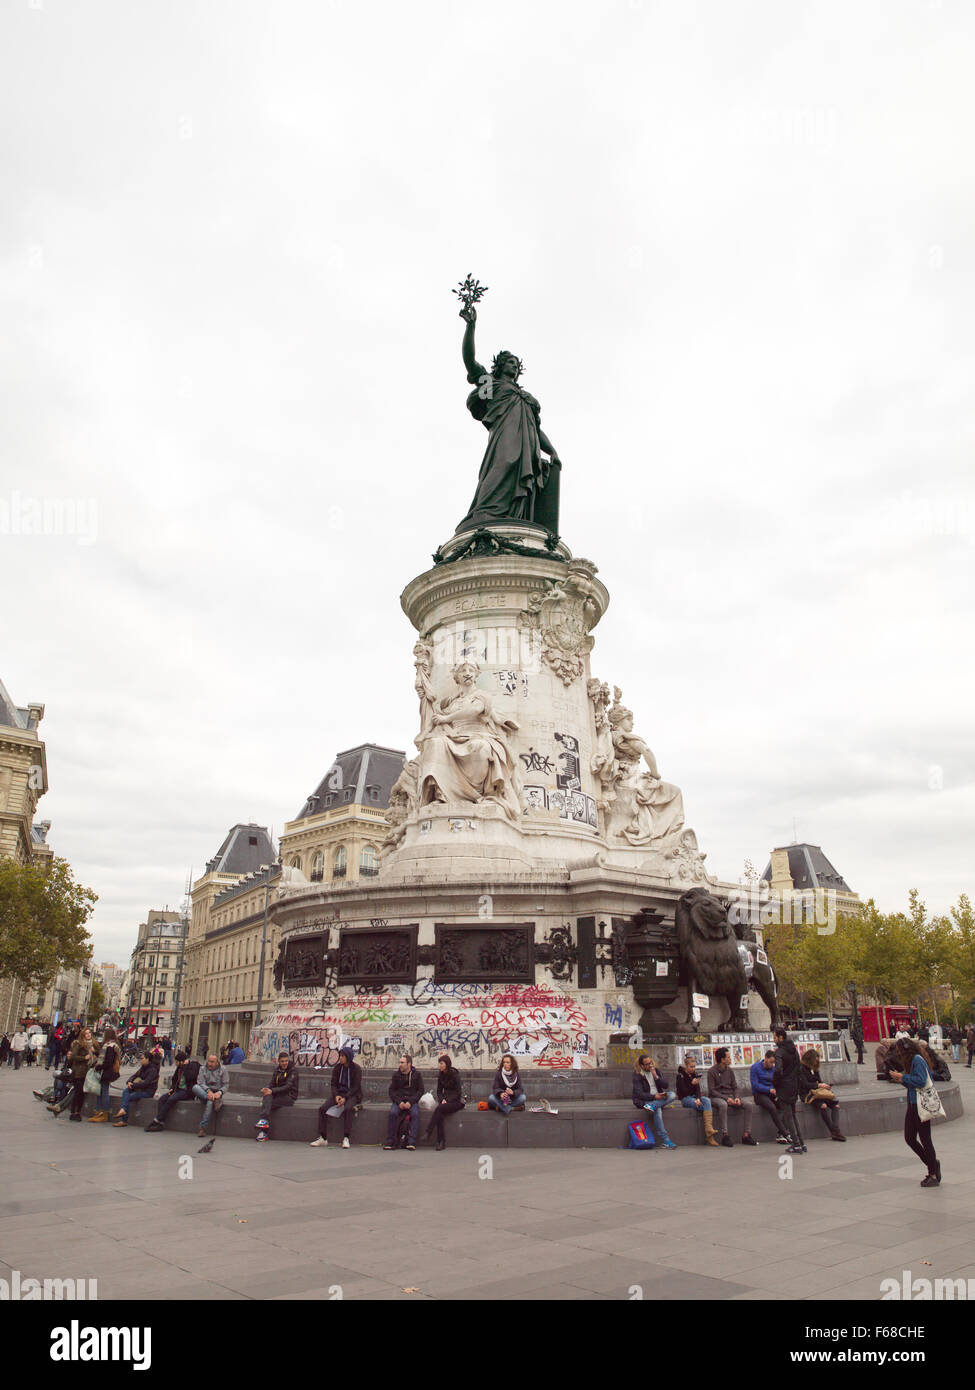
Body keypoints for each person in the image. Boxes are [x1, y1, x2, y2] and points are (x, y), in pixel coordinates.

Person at [889, 1040, 941, 1187]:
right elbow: (913, 1082)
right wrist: (900, 1079)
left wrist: (902, 1077)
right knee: (909, 1138)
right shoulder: (912, 1061)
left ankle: (933, 1174)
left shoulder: (917, 1060)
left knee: (925, 1139)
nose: (897, 1053)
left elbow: (921, 1080)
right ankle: (932, 1163)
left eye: (899, 1050)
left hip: (920, 1104)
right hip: (913, 1103)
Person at [706, 1047, 757, 1147]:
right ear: (722, 1059)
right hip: (717, 1097)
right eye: (728, 1057)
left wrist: (736, 1097)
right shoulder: (711, 1071)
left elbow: (735, 1087)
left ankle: (746, 1135)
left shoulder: (730, 1070)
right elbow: (712, 1090)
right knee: (723, 1105)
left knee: (748, 1105)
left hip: (730, 1096)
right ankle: (725, 1135)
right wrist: (726, 1099)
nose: (730, 1059)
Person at [312, 1048, 362, 1148]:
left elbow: (355, 1087)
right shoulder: (338, 1068)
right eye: (340, 1056)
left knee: (348, 1109)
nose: (340, 1058)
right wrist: (336, 1095)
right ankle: (323, 1137)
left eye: (343, 1056)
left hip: (352, 1094)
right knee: (322, 1109)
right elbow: (333, 1084)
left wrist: (346, 1098)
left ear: (348, 1057)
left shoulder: (356, 1069)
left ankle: (346, 1137)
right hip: (339, 1094)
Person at [145, 1052, 202, 1131]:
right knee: (162, 1099)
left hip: (187, 1091)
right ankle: (161, 1123)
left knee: (171, 1099)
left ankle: (157, 1120)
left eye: (177, 1062)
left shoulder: (193, 1066)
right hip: (177, 1090)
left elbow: (190, 1077)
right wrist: (172, 1088)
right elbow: (174, 1079)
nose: (175, 1064)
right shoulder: (179, 1067)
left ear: (182, 1061)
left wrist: (185, 1067)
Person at [799, 1048, 846, 1141]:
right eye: (815, 1061)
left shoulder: (814, 1069)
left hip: (818, 1092)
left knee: (835, 1105)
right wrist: (819, 1085)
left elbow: (819, 1080)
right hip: (808, 1093)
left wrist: (824, 1086)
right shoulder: (801, 1069)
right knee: (823, 1106)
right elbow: (804, 1085)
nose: (816, 1063)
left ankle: (835, 1130)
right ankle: (833, 1131)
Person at [632, 1054, 677, 1148]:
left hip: (657, 1098)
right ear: (642, 1066)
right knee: (658, 1109)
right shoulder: (637, 1075)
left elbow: (665, 1085)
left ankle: (653, 1105)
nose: (650, 1066)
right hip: (645, 1100)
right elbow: (639, 1094)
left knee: (672, 1094)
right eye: (647, 1064)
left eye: (650, 1063)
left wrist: (656, 1076)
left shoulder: (655, 1071)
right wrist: (654, 1096)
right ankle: (665, 1140)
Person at [772, 1026, 805, 1153]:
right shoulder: (794, 1050)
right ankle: (801, 1142)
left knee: (788, 1116)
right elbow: (799, 1068)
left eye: (775, 1037)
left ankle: (796, 1143)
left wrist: (775, 1082)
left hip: (784, 1087)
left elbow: (778, 1070)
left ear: (781, 1037)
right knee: (793, 1115)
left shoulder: (779, 1052)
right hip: (794, 1085)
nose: (774, 1040)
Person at [423, 1054, 465, 1151]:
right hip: (445, 1101)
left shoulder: (455, 1074)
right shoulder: (441, 1075)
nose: (440, 1066)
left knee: (439, 1109)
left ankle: (429, 1132)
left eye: (441, 1063)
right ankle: (441, 1142)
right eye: (439, 1064)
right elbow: (438, 1091)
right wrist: (442, 1100)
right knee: (440, 1113)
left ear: (447, 1064)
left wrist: (447, 1100)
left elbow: (458, 1093)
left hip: (456, 1102)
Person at [749, 1050, 791, 1144]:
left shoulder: (774, 1069)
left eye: (773, 1063)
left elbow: (778, 1081)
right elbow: (755, 1085)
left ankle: (780, 1134)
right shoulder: (755, 1068)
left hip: (772, 1093)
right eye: (770, 1062)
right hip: (759, 1094)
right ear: (766, 1059)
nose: (772, 1065)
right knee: (772, 1107)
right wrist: (768, 1089)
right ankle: (785, 1133)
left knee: (784, 1105)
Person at [675, 1055, 718, 1146]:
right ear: (686, 1066)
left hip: (695, 1097)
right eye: (691, 1067)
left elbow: (698, 1090)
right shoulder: (680, 1076)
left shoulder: (694, 1074)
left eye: (694, 1067)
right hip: (685, 1099)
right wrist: (692, 1084)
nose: (693, 1069)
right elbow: (683, 1092)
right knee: (704, 1107)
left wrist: (698, 1098)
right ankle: (709, 1134)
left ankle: (709, 1129)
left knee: (706, 1100)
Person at [384, 1053, 424, 1150]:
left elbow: (420, 1090)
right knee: (393, 1113)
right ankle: (391, 1141)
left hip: (412, 1101)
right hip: (400, 1101)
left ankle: (411, 1141)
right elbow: (391, 1091)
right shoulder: (396, 1075)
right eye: (400, 1062)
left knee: (415, 1114)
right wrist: (399, 1102)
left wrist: (410, 1102)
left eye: (402, 1062)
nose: (400, 1064)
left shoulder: (417, 1075)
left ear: (409, 1064)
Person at [256, 1052, 298, 1140]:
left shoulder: (293, 1071)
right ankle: (263, 1124)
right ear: (279, 1062)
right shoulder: (277, 1070)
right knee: (267, 1096)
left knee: (267, 1104)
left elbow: (288, 1086)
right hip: (278, 1095)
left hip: (289, 1097)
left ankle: (263, 1132)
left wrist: (272, 1091)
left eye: (286, 1061)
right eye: (282, 1061)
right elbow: (271, 1083)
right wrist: (266, 1088)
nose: (284, 1063)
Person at [112, 1051, 160, 1126]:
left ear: (148, 1059)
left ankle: (124, 1119)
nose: (141, 1060)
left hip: (148, 1092)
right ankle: (123, 1110)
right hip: (139, 1088)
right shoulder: (143, 1068)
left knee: (128, 1096)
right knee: (126, 1091)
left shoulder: (153, 1070)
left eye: (142, 1058)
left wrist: (133, 1085)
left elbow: (146, 1083)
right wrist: (129, 1082)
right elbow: (134, 1076)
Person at [87, 1027, 121, 1122]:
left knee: (104, 1092)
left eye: (104, 1034)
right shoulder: (110, 1045)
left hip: (107, 1073)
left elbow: (108, 1062)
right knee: (101, 1092)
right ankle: (99, 1112)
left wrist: (98, 1067)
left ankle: (103, 1113)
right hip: (106, 1072)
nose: (103, 1036)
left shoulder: (110, 1046)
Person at [193, 1054, 230, 1136]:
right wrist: (208, 1091)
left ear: (217, 1062)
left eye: (212, 1062)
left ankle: (203, 1128)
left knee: (210, 1102)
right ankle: (212, 1099)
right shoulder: (202, 1069)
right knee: (195, 1087)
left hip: (217, 1092)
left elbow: (226, 1085)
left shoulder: (223, 1070)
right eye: (209, 1061)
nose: (209, 1064)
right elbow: (200, 1082)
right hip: (204, 1092)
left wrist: (219, 1092)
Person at [66, 1028, 96, 1121]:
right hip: (78, 1072)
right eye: (86, 1033)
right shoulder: (79, 1044)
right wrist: (84, 1058)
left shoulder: (92, 1045)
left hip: (87, 1072)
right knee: (78, 1092)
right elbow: (74, 1056)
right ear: (82, 1035)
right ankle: (74, 1112)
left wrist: (94, 1054)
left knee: (81, 1093)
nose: (88, 1035)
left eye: (89, 1033)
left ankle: (78, 1111)